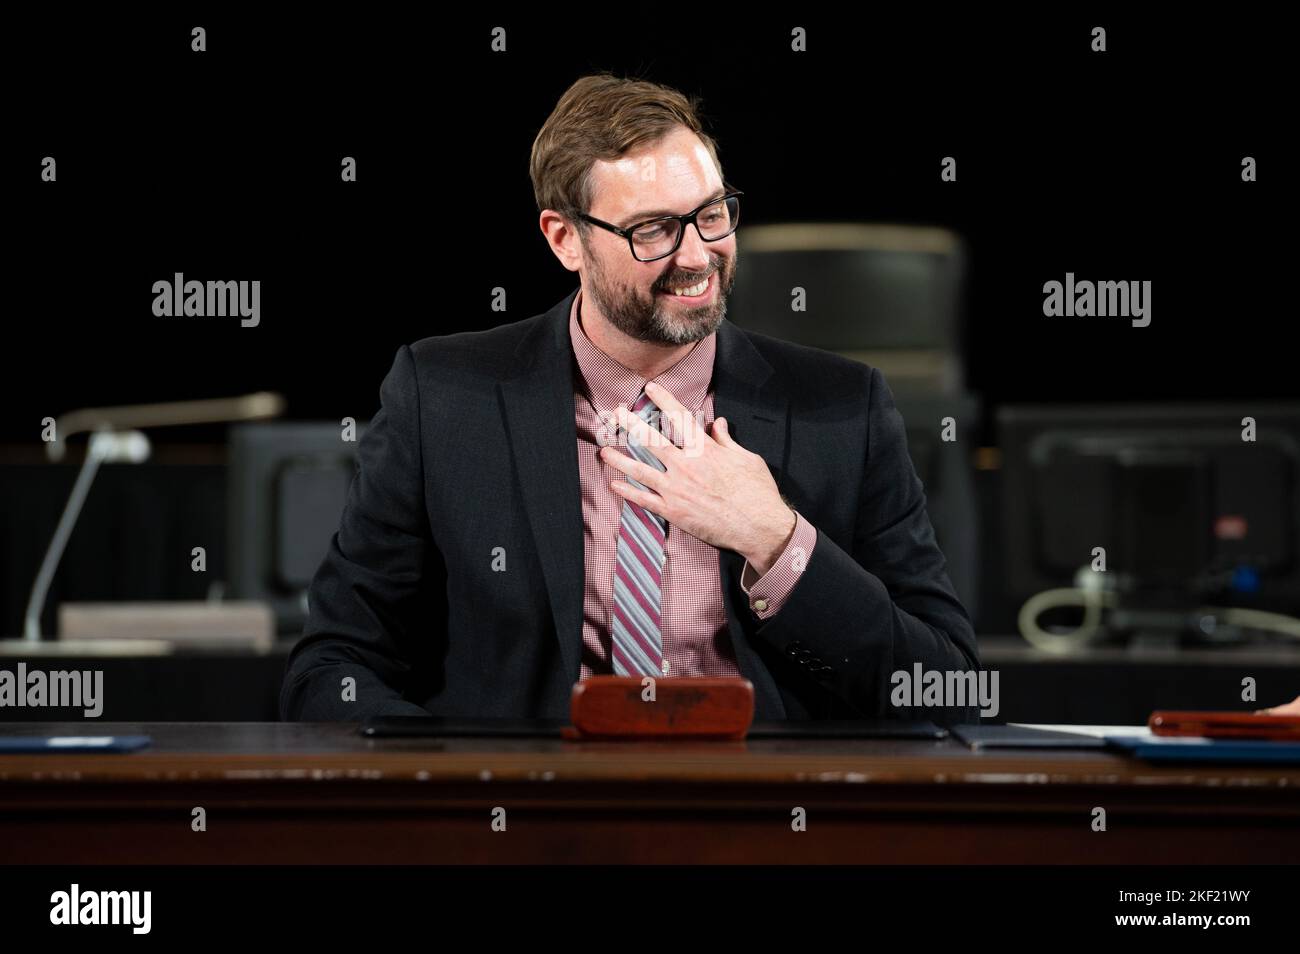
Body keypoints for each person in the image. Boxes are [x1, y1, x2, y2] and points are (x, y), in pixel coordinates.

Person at [279, 73, 979, 723]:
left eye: (712, 214)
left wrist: (777, 540)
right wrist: (456, 794)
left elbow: (948, 688)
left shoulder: (842, 408)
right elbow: (333, 666)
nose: (698, 255)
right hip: (529, 827)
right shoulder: (443, 398)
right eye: (653, 230)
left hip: (762, 825)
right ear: (565, 240)